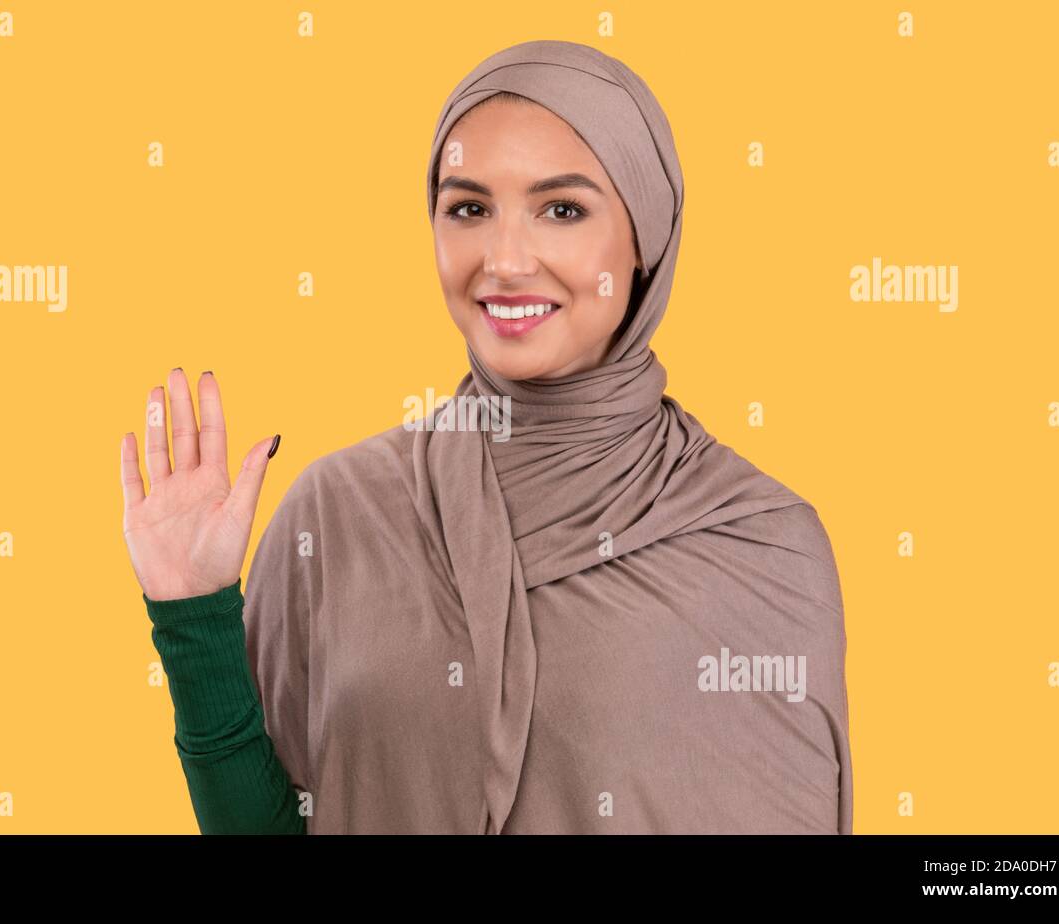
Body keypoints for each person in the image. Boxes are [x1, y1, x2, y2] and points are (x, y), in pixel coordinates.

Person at [121, 39, 853, 835]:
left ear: (644, 235)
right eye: (469, 208)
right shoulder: (336, 513)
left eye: (562, 210)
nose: (504, 261)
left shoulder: (762, 544)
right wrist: (195, 619)